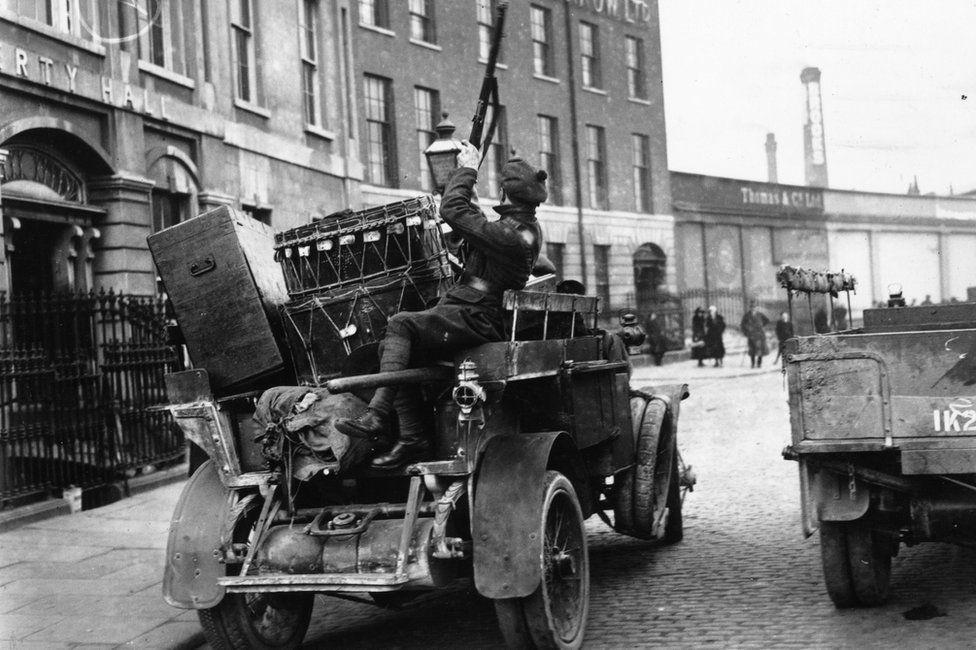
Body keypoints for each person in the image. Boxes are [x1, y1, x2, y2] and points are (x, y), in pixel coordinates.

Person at [335, 142, 546, 468]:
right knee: (393, 349)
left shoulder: (515, 234)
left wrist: (468, 170)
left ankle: (377, 415)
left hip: (479, 318)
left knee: (401, 323)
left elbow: (453, 211)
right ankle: (412, 438)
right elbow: (473, 222)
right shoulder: (518, 228)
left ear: (505, 195)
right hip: (469, 311)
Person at [740, 301, 770, 368]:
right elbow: (742, 325)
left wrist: (761, 326)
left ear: (756, 308)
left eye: (754, 307)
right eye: (752, 307)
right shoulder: (747, 315)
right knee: (752, 350)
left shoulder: (760, 314)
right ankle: (753, 364)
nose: (753, 308)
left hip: (759, 335)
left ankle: (759, 364)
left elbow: (767, 320)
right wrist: (746, 333)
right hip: (751, 335)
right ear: (750, 308)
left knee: (760, 350)